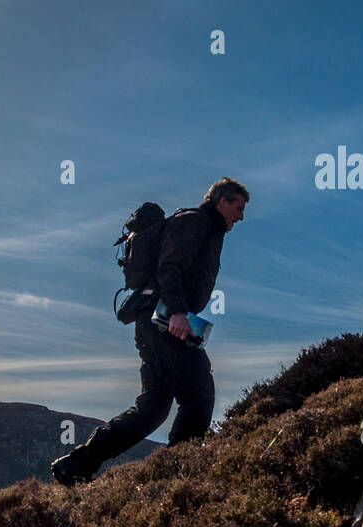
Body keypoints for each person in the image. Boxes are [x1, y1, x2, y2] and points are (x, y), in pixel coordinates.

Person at [51, 177, 249, 486]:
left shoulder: (204, 227)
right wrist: (179, 311)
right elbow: (169, 266)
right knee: (198, 394)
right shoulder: (195, 221)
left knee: (154, 407)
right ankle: (179, 474)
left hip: (154, 321)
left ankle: (76, 464)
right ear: (221, 201)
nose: (241, 216)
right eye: (238, 207)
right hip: (165, 321)